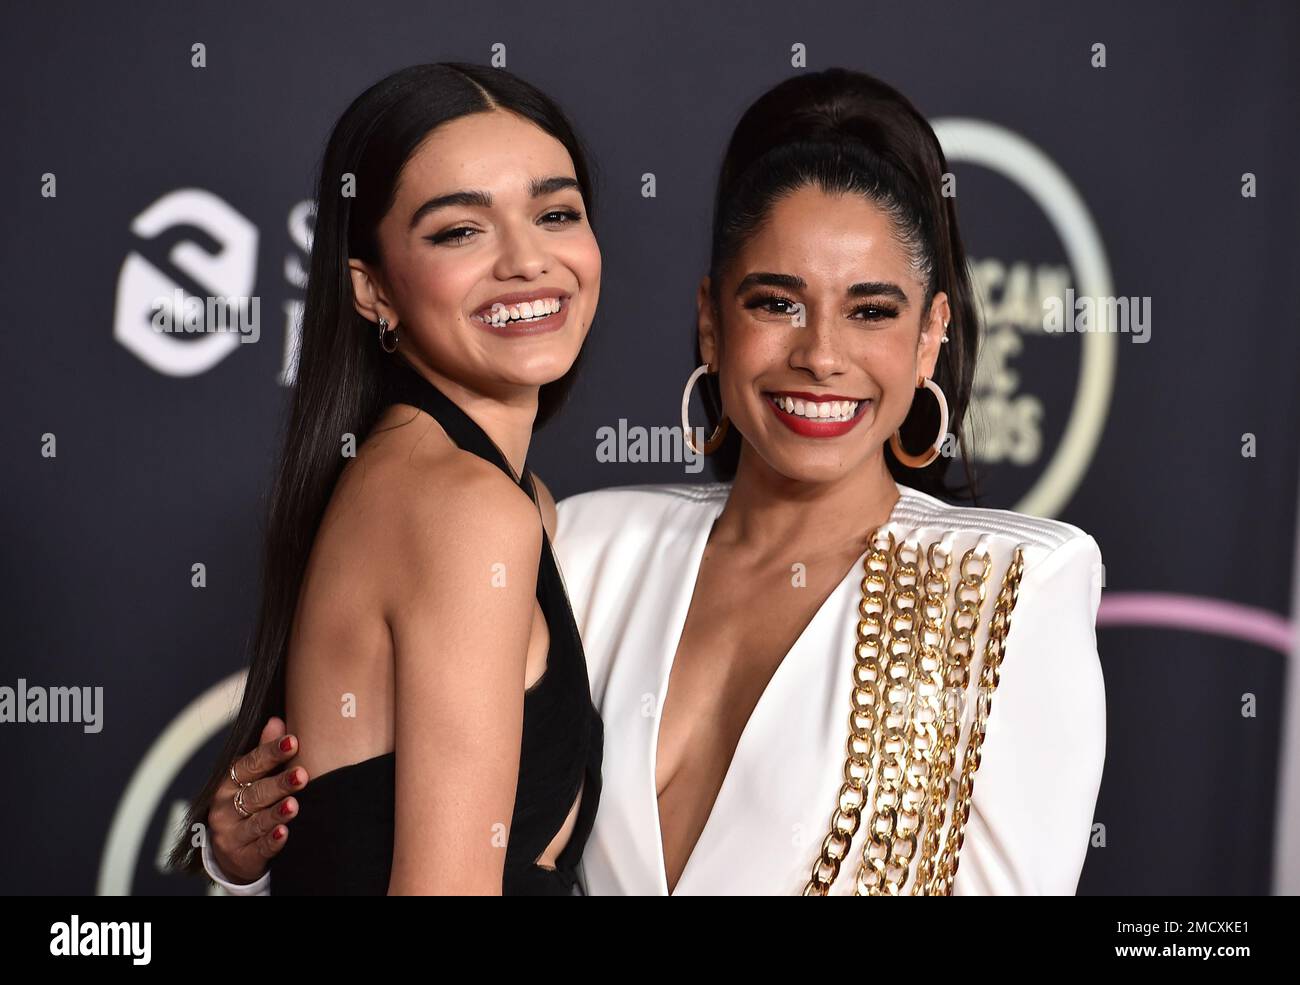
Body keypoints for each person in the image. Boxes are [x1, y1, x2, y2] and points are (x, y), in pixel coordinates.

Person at [197, 67, 1105, 896]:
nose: (822, 354)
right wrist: (244, 856)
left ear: (930, 337)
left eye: (871, 310)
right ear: (711, 322)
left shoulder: (1005, 589)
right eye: (774, 302)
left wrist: (237, 861)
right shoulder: (584, 541)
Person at [168, 62, 605, 895]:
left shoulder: (473, 491)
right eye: (459, 231)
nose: (526, 260)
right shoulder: (464, 510)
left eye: (555, 213)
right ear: (371, 289)